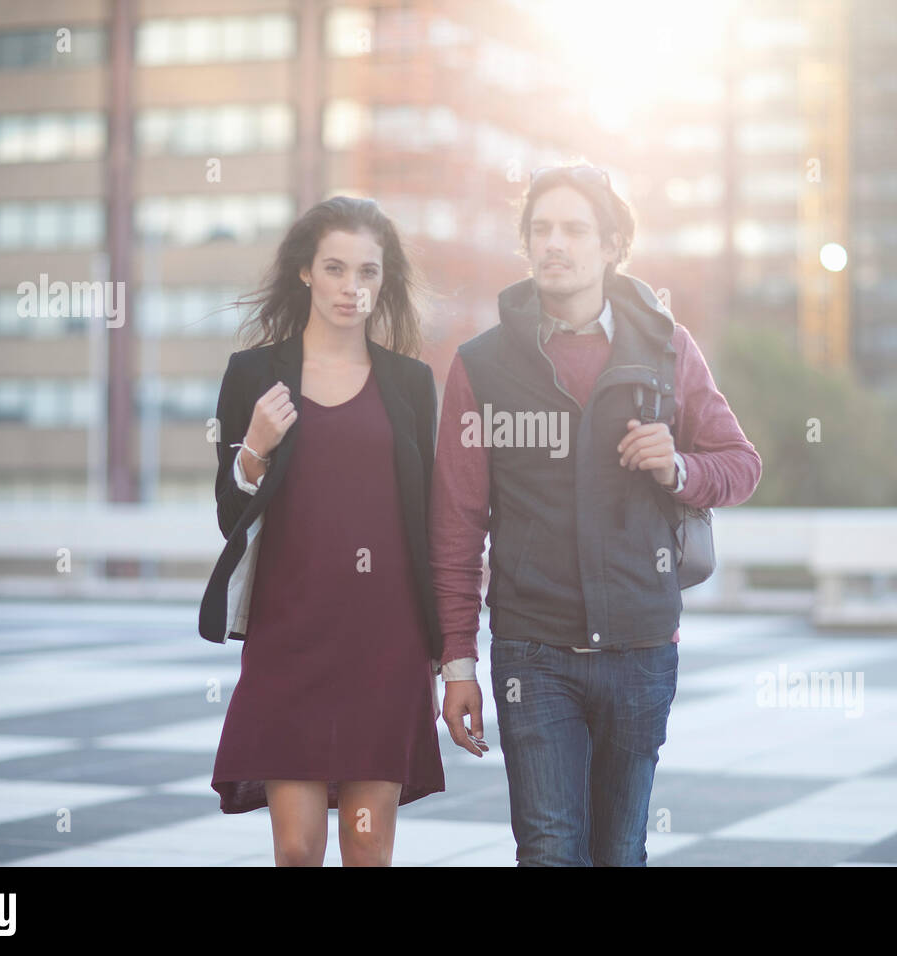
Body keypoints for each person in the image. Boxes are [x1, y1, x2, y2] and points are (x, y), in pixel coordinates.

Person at [430, 162, 763, 865]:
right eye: (541, 229)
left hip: (642, 649)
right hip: (533, 652)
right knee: (551, 850)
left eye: (575, 229)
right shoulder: (481, 366)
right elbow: (456, 523)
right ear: (526, 246)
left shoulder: (668, 349)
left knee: (620, 852)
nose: (555, 243)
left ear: (612, 247)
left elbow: (740, 467)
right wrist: (457, 662)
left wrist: (677, 467)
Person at [198, 196, 445, 866]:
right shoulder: (251, 375)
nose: (351, 287)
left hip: (385, 643)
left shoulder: (412, 385)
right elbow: (230, 513)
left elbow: (431, 522)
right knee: (298, 848)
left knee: (367, 847)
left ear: (383, 281)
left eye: (367, 272)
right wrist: (253, 446)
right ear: (306, 271)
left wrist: (452, 652)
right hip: (290, 638)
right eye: (335, 268)